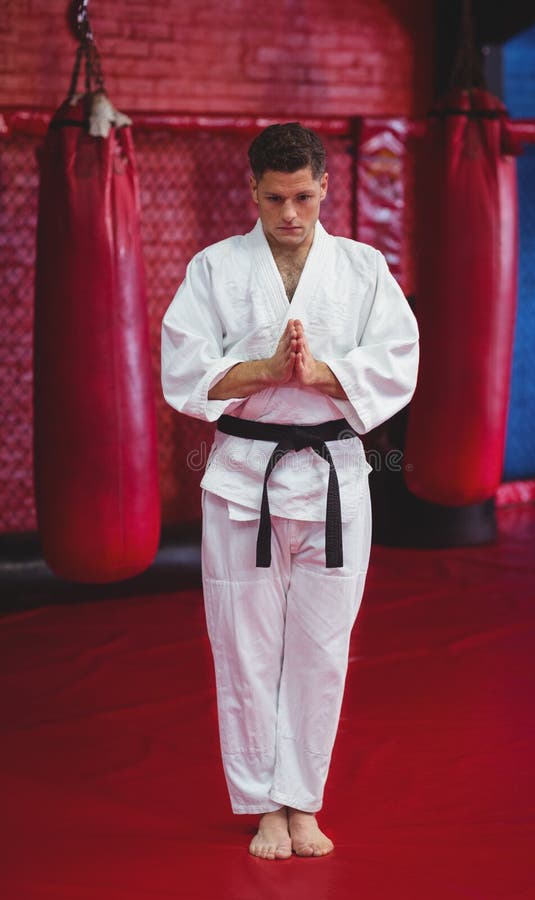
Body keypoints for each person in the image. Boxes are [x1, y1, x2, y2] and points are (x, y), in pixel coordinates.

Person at [161, 123, 419, 860]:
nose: (291, 214)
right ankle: (261, 807)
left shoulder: (364, 268)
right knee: (244, 648)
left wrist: (318, 376)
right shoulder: (213, 268)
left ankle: (301, 802)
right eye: (275, 198)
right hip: (245, 481)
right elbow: (185, 371)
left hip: (337, 480)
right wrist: (267, 371)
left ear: (326, 186)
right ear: (252, 190)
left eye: (304, 196)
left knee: (321, 648)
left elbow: (398, 364)